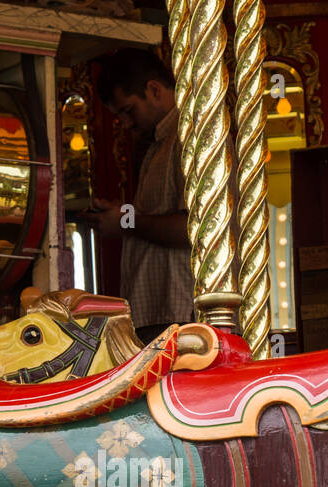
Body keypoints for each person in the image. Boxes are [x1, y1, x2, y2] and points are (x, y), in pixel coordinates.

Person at [87, 49, 192, 344]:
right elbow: (155, 218)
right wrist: (123, 215)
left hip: (180, 315)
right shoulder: (158, 145)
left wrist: (125, 223)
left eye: (128, 111)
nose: (126, 123)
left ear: (154, 90)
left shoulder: (187, 139)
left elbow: (192, 229)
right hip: (157, 313)